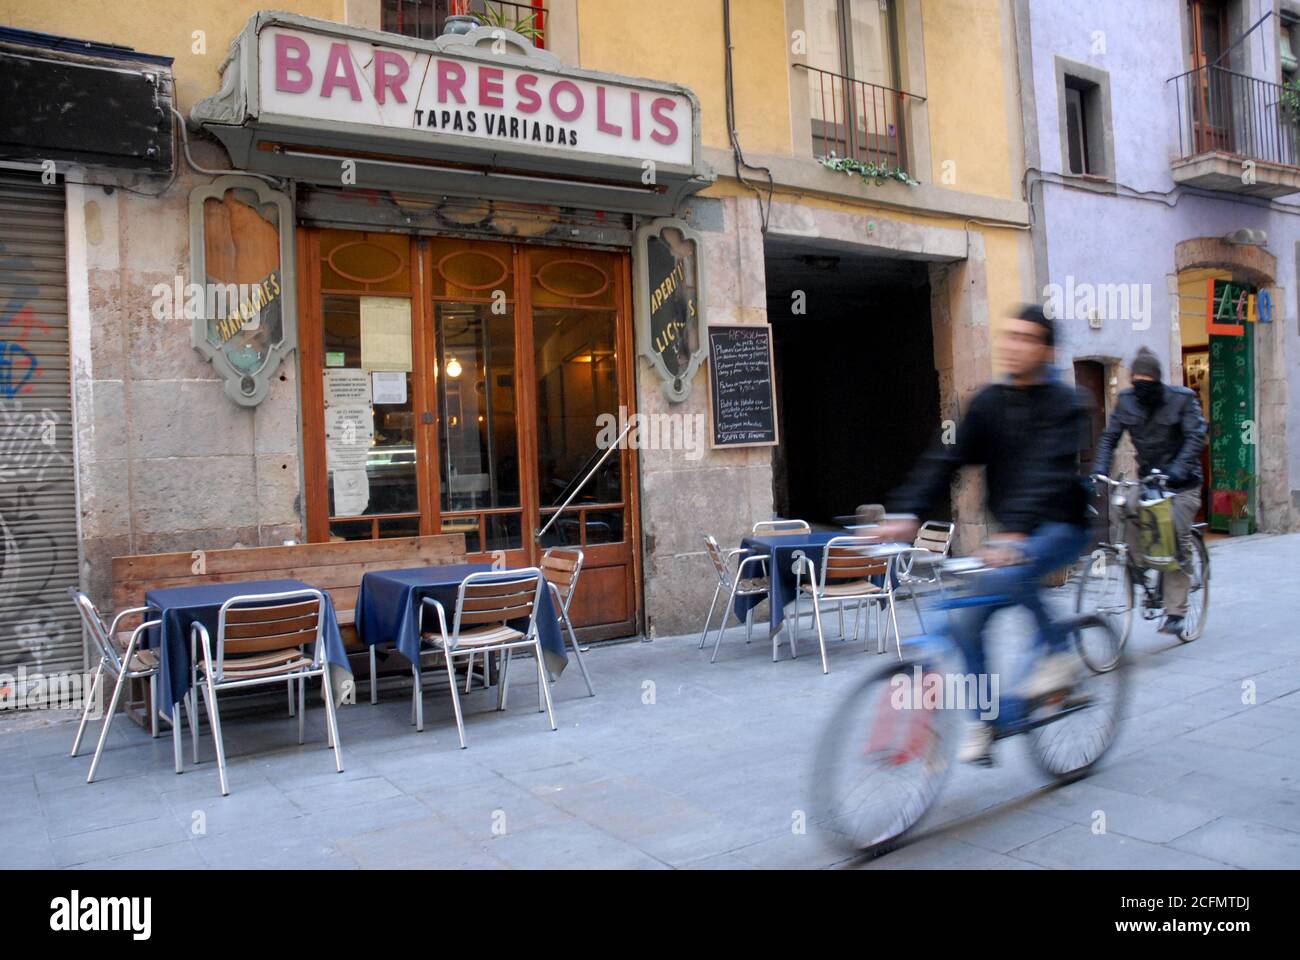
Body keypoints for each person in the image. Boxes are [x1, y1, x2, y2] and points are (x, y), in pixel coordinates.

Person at [879, 304, 1094, 763]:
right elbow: (945, 458)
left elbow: (1047, 470)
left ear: (1047, 349)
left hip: (1061, 524)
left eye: (1026, 338)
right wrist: (907, 512)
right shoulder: (988, 403)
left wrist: (1014, 532)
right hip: (1011, 534)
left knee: (1012, 573)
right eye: (1010, 336)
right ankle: (988, 718)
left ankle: (1060, 654)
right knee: (965, 620)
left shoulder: (1067, 404)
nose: (1013, 345)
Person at [1090, 346, 1207, 636]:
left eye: (1147, 379)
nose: (1141, 384)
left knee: (1173, 538)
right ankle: (1142, 570)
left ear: (1157, 380)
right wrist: (1099, 469)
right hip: (1148, 480)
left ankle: (1176, 611)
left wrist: (1178, 470)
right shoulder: (1127, 402)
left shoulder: (1182, 399)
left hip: (1181, 484)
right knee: (1126, 509)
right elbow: (1109, 437)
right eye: (1136, 379)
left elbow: (1196, 436)